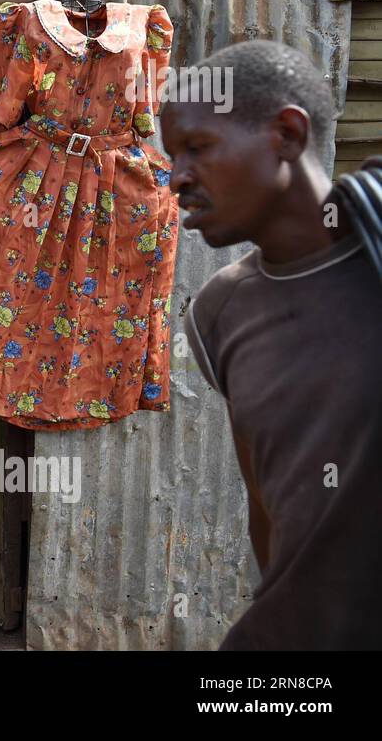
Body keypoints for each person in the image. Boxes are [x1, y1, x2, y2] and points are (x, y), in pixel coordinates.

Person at [161, 39, 382, 650]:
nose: (176, 177)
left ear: (285, 134)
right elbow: (268, 504)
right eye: (173, 155)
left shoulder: (372, 257)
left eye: (196, 148)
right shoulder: (219, 314)